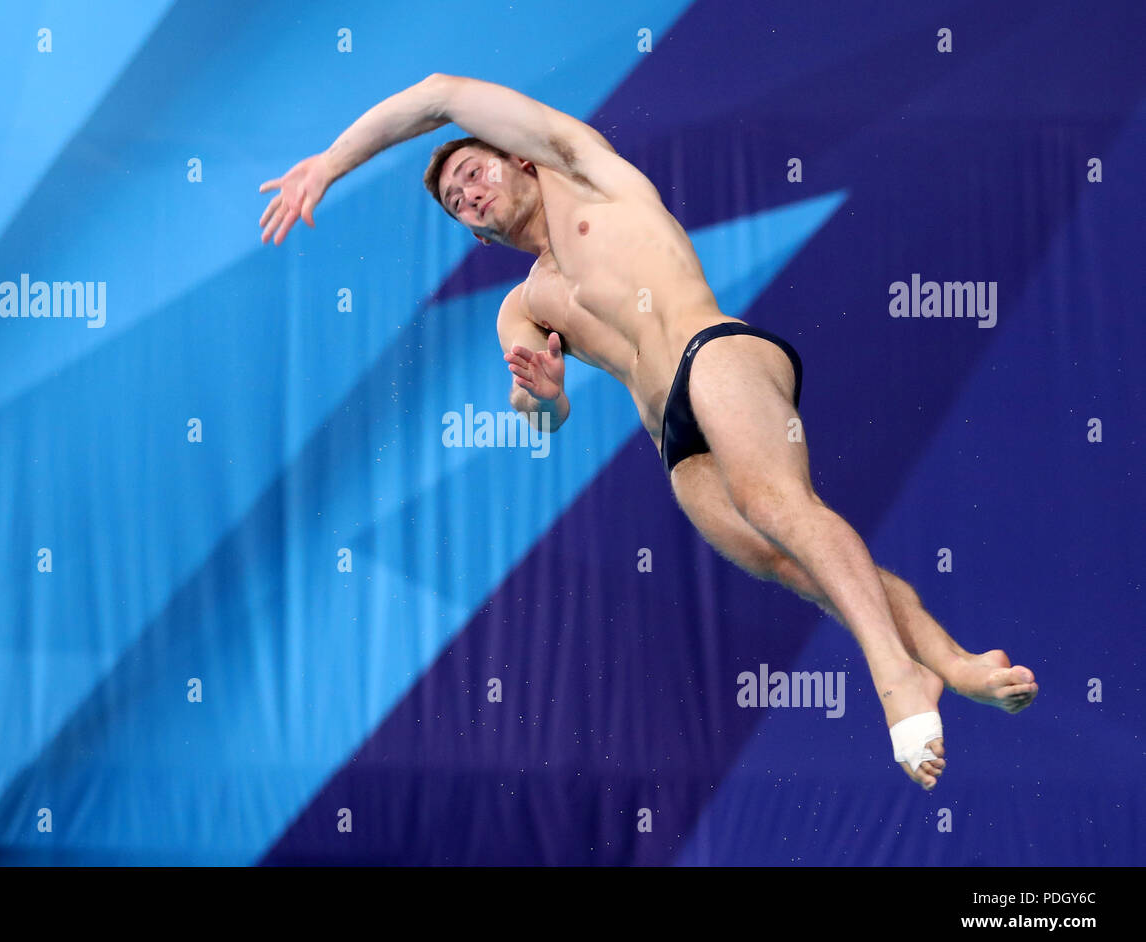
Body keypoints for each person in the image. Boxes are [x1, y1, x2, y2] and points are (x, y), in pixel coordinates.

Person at [258, 73, 1038, 789]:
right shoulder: (523, 308)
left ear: (521, 161)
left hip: (717, 354)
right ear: (474, 236)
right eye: (457, 202)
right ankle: (951, 663)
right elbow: (542, 419)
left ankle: (894, 678)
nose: (467, 192)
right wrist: (548, 397)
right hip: (673, 437)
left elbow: (440, 93)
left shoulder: (588, 172)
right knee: (784, 561)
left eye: (474, 171)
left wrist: (331, 163)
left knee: (777, 504)